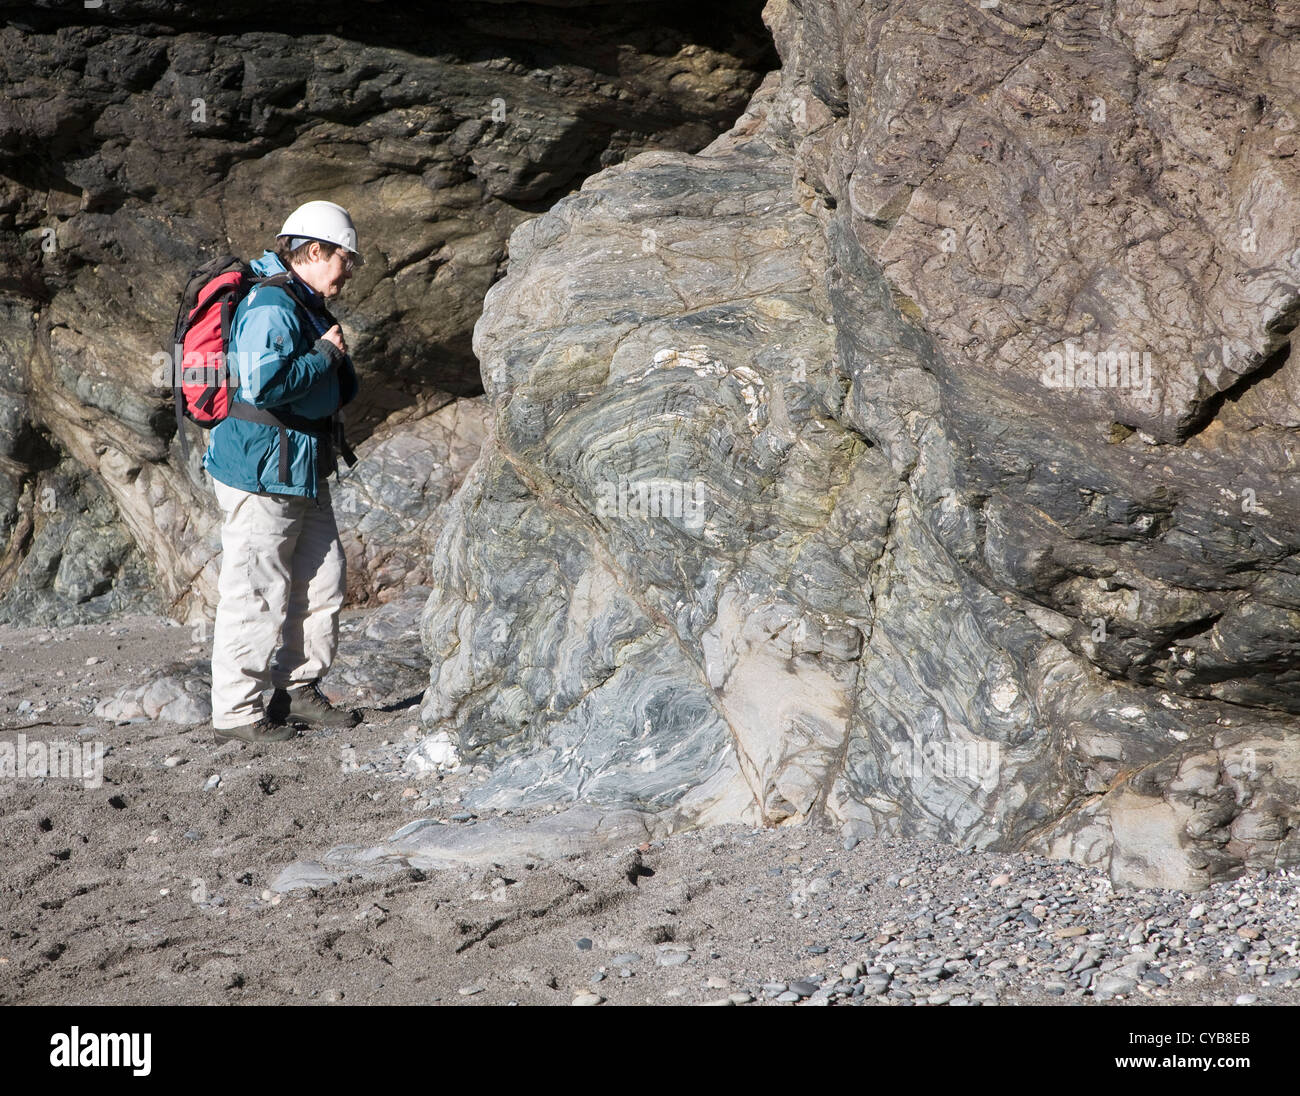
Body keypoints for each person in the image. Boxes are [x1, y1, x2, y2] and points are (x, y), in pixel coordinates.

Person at [203, 200, 364, 743]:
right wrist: (324, 356)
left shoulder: (303, 301)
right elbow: (264, 384)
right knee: (256, 589)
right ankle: (235, 714)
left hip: (300, 466)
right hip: (262, 471)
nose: (348, 270)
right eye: (345, 258)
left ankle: (297, 689)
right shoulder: (272, 304)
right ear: (314, 250)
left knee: (324, 579)